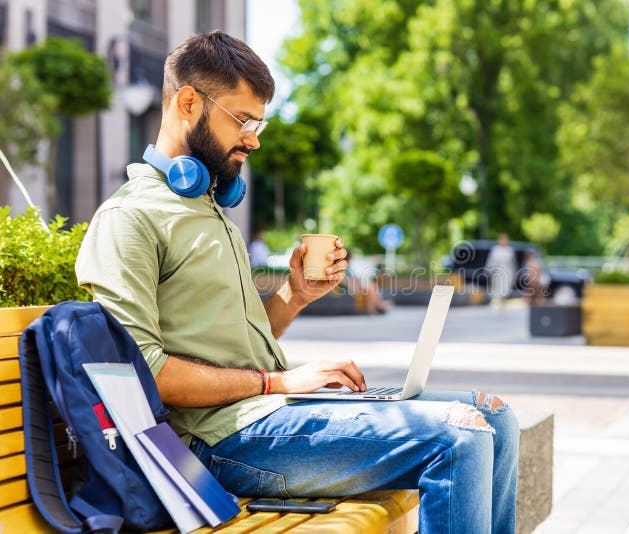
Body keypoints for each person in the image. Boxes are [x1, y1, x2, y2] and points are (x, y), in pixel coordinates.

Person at [75, 31, 518, 533]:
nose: (254, 139)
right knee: (457, 437)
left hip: (269, 415)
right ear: (188, 102)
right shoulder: (130, 218)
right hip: (216, 442)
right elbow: (141, 374)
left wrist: (294, 296)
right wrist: (279, 381)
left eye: (258, 123)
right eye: (243, 120)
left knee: (495, 418)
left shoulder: (208, 208)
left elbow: (231, 344)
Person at [486, 233, 517, 307]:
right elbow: (491, 261)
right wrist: (489, 270)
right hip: (498, 272)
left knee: (505, 289)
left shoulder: (510, 250)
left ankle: (503, 303)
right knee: (498, 288)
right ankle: (499, 303)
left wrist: (515, 274)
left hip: (508, 272)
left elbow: (513, 263)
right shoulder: (495, 250)